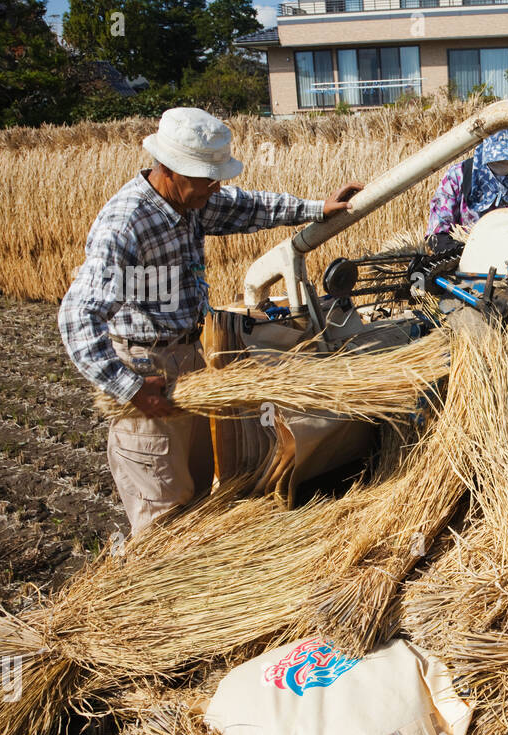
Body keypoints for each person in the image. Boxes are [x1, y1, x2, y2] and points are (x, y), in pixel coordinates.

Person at [59, 107, 363, 537]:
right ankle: (158, 595)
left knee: (197, 495)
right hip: (148, 372)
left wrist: (318, 208)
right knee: (162, 509)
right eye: (206, 177)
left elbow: (249, 206)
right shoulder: (128, 224)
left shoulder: (190, 202)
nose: (215, 186)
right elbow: (76, 319)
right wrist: (131, 389)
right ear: (168, 168)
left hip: (190, 363)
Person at [425, 128, 508, 252]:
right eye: (498, 158)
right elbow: (436, 233)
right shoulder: (459, 175)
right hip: (464, 263)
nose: (504, 161)